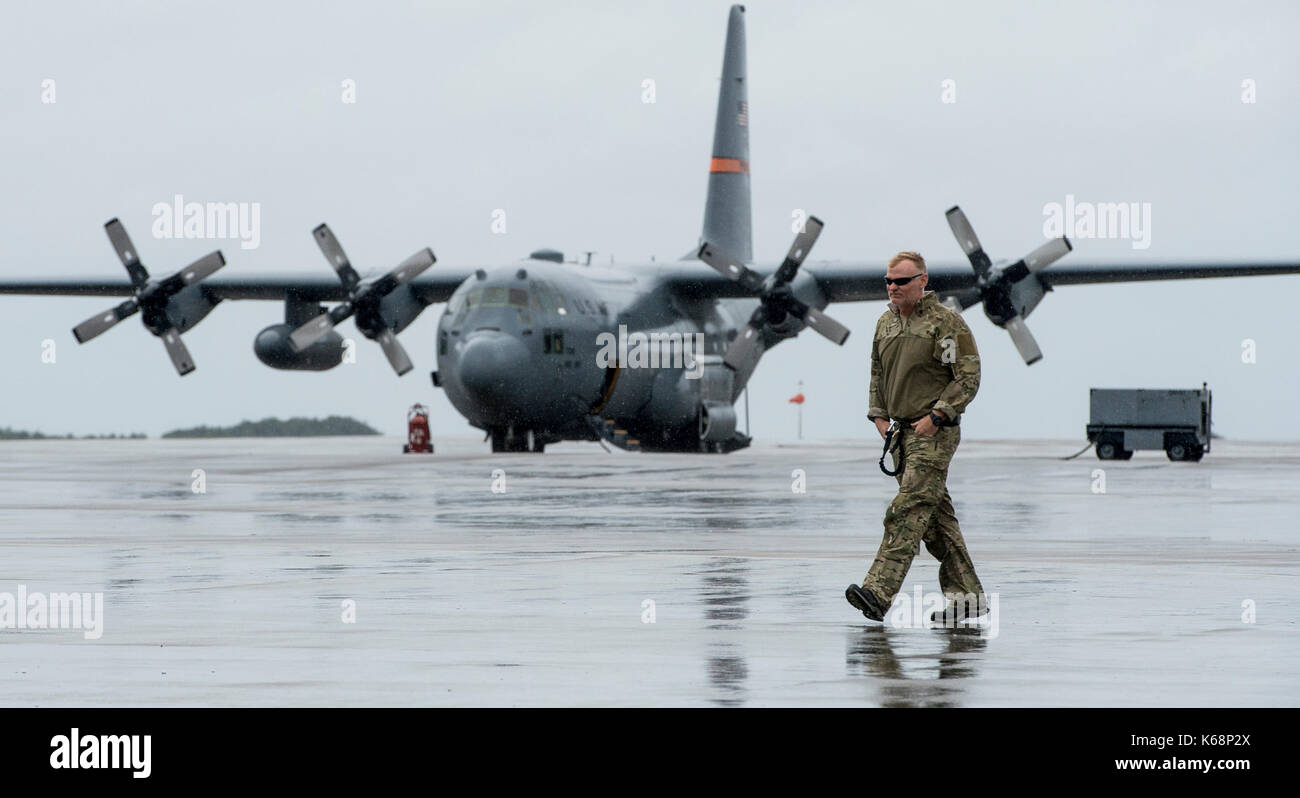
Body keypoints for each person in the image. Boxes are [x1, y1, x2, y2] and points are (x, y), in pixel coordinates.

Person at [845, 251, 988, 625]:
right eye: (888, 281)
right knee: (937, 524)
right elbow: (877, 373)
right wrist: (878, 416)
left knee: (906, 511)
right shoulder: (884, 324)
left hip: (934, 434)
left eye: (901, 281)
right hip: (901, 433)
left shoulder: (946, 323)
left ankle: (877, 593)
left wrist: (938, 415)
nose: (893, 287)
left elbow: (968, 377)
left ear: (922, 281)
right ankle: (968, 600)